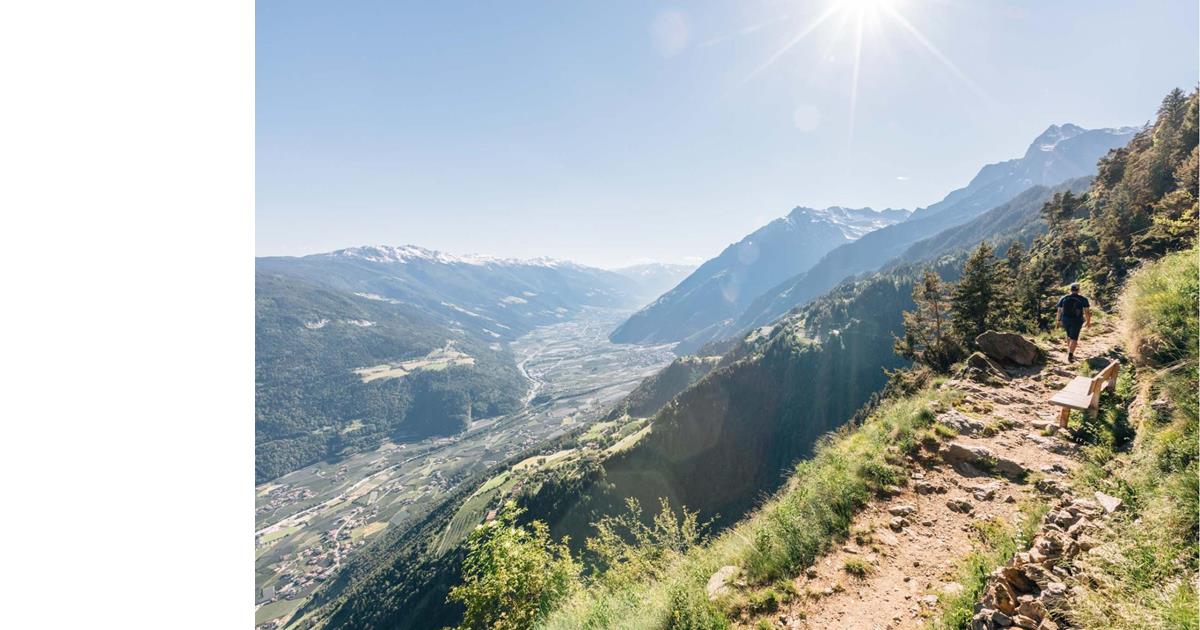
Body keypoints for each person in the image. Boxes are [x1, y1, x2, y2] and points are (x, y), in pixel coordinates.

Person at [1056, 283, 1091, 362]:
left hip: (1065, 319)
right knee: (1074, 338)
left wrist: (1058, 321)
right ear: (1078, 290)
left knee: (1069, 335)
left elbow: (1059, 311)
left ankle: (1070, 351)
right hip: (1077, 320)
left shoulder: (1063, 298)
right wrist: (1088, 322)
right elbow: (1087, 312)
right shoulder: (1083, 299)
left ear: (1070, 290)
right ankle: (1070, 355)